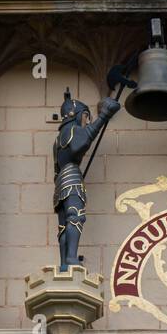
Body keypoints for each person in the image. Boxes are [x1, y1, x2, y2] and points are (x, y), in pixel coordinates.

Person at [53, 89, 121, 269]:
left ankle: (64, 264)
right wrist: (104, 115)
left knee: (64, 224)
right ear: (75, 115)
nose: (87, 121)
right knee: (76, 216)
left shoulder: (58, 139)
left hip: (60, 181)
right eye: (85, 116)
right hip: (72, 177)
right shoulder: (71, 130)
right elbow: (83, 141)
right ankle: (71, 259)